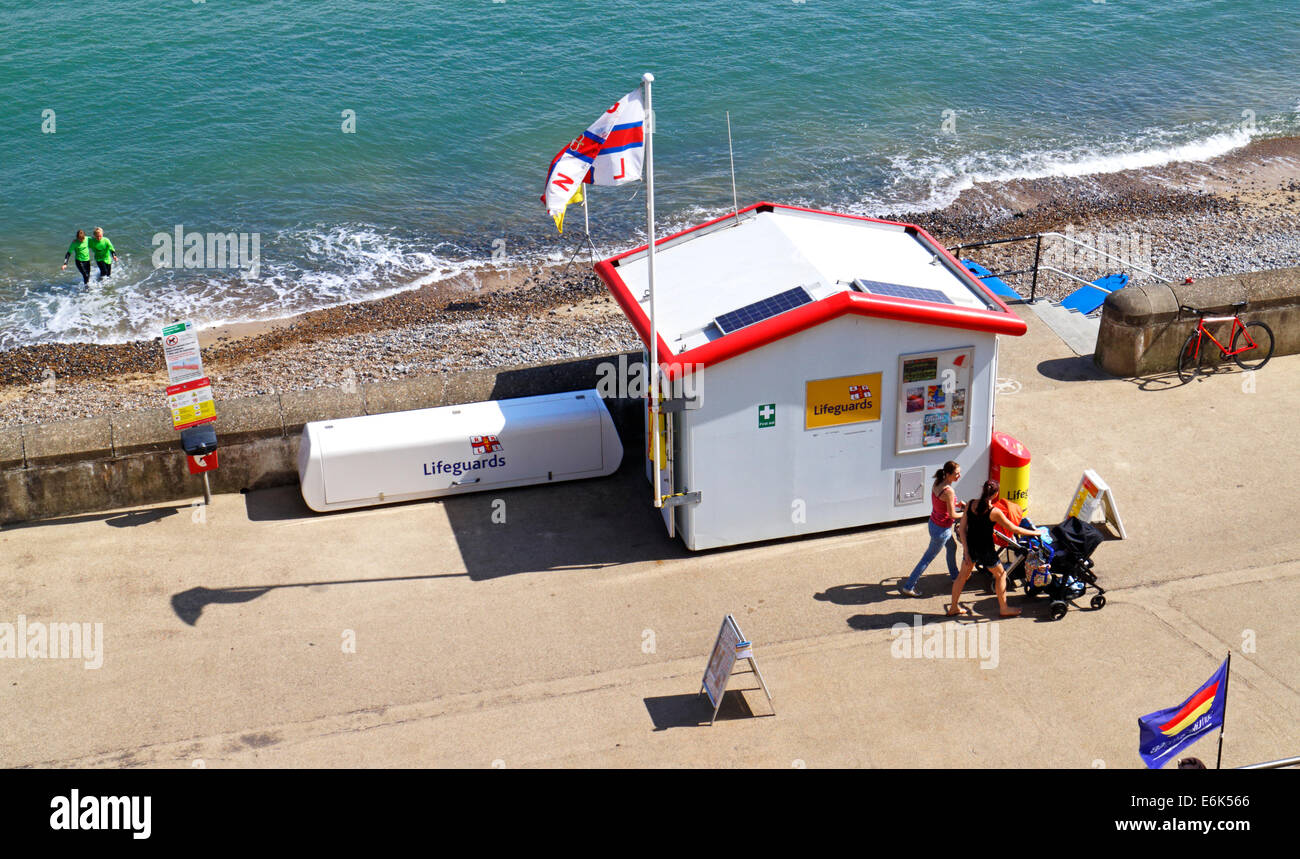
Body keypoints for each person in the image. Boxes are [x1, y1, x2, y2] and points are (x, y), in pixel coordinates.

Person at [948, 479, 1041, 618]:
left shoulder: (970, 504)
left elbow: (962, 529)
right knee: (1001, 575)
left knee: (961, 577)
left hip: (971, 548)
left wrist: (966, 551)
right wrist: (1035, 532)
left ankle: (953, 608)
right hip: (986, 551)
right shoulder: (994, 512)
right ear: (995, 494)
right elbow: (1013, 528)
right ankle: (1004, 608)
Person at [900, 460, 964, 596]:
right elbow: (952, 514)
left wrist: (957, 504)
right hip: (942, 530)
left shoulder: (938, 483)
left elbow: (942, 504)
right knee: (927, 558)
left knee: (952, 547)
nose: (959, 476)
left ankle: (955, 576)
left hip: (934, 523)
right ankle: (909, 586)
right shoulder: (949, 491)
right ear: (948, 474)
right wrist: (967, 512)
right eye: (956, 474)